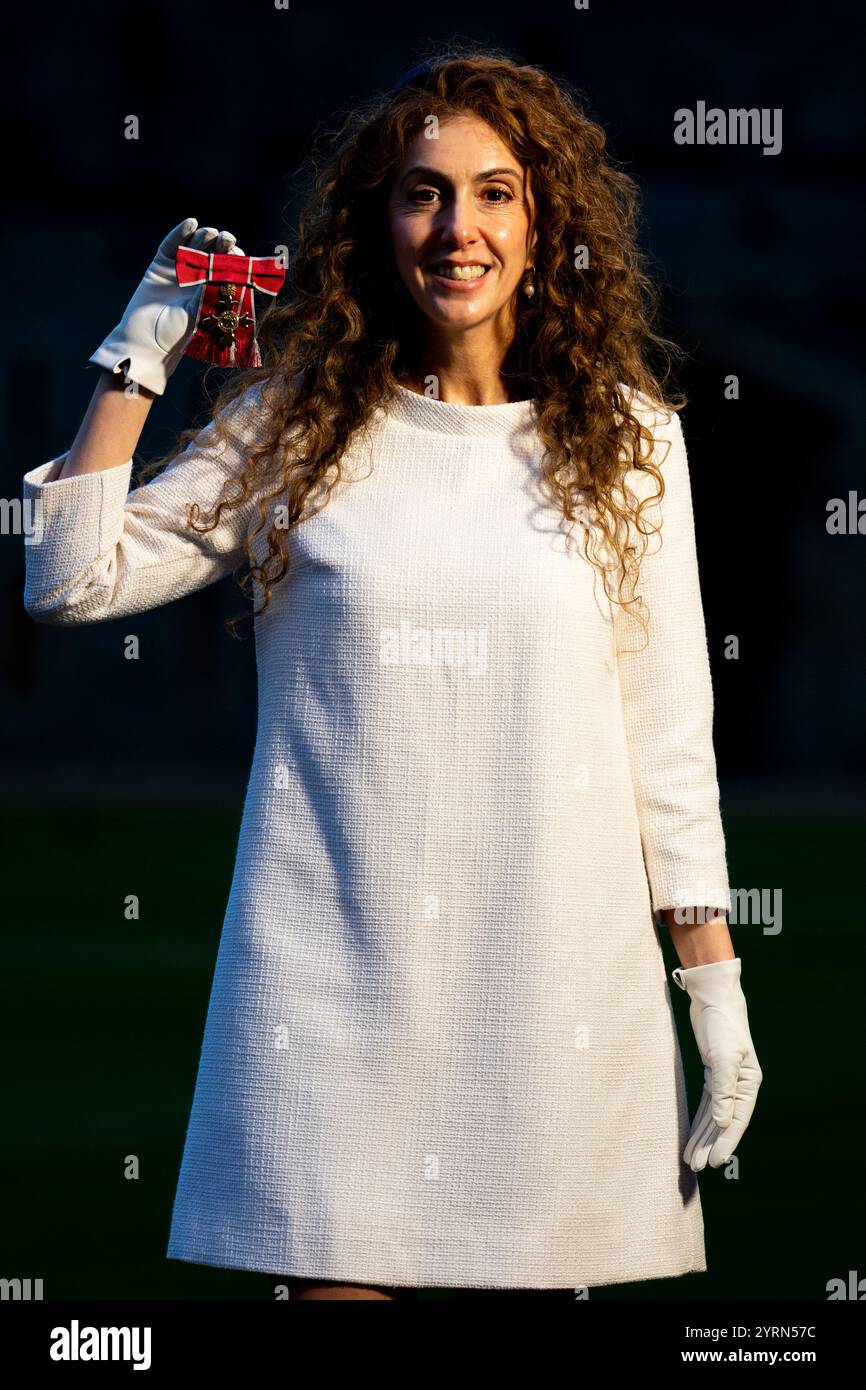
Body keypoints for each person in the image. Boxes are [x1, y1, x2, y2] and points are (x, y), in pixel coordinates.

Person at [21, 48, 762, 1302]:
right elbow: (68, 579)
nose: (455, 227)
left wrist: (712, 989)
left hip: (556, 985)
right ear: (382, 217)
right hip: (326, 981)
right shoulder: (297, 422)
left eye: (493, 191)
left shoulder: (634, 440)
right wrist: (134, 356)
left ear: (544, 222)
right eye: (422, 192)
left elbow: (666, 736)